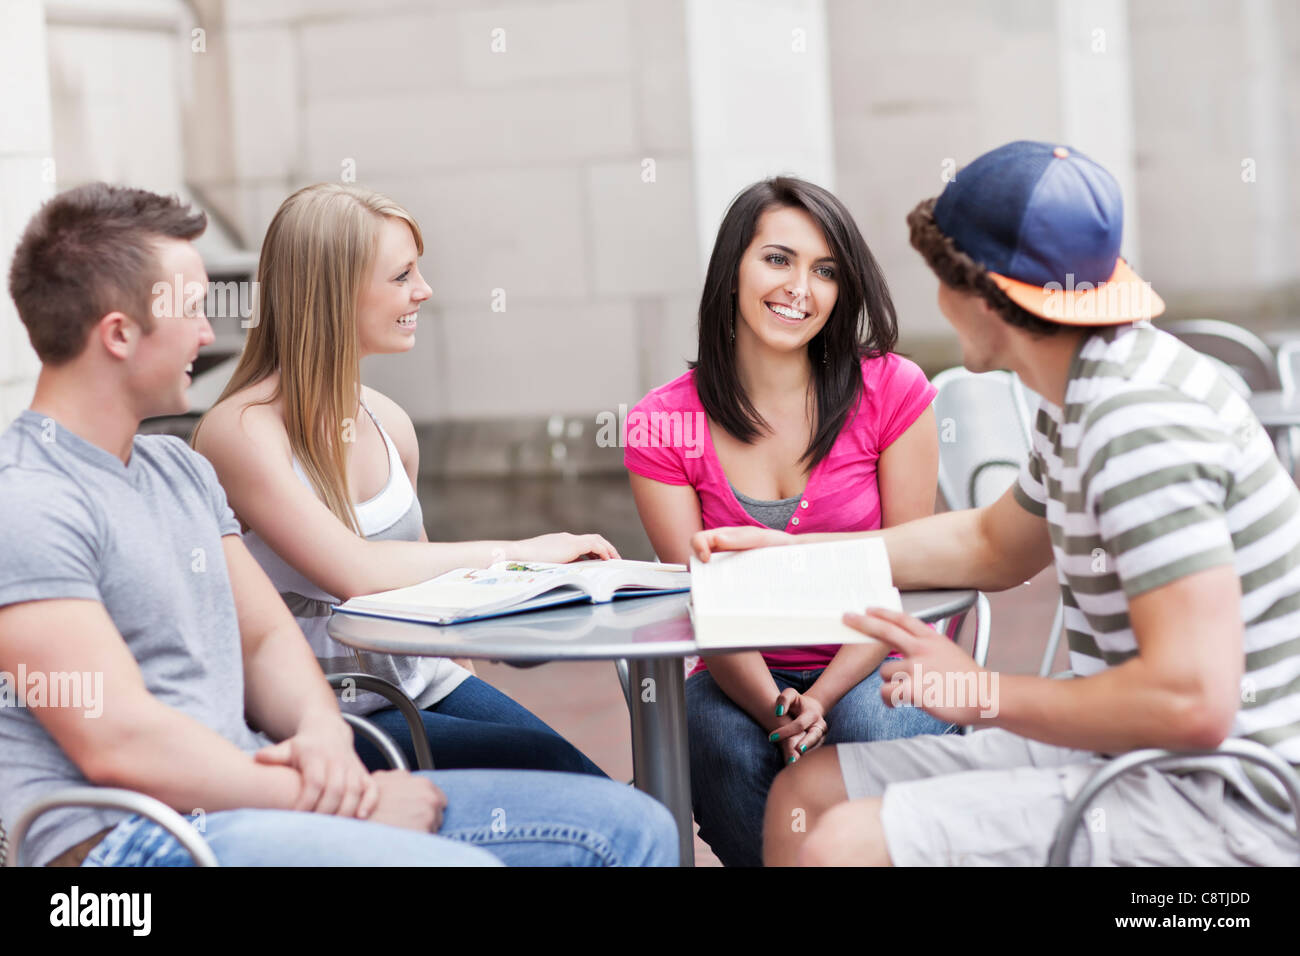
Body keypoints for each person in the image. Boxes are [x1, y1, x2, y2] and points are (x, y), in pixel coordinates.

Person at [0, 182, 677, 867]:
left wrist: (321, 732)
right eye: (195, 311)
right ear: (118, 333)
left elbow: (266, 639)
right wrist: (321, 795)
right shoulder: (28, 502)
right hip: (142, 845)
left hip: (252, 804)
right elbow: (119, 742)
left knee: (635, 828)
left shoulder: (178, 470)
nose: (211, 334)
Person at [694, 141, 1300, 866]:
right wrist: (799, 552)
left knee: (842, 845)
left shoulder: (1136, 425)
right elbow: (993, 543)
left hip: (1225, 798)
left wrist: (980, 691)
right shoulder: (1082, 386)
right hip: (1135, 752)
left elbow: (1191, 704)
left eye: (942, 281)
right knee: (811, 794)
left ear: (981, 298)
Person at [192, 183, 609, 775]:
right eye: (401, 275)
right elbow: (358, 572)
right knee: (555, 775)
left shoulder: (387, 421)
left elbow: (424, 583)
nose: (424, 290)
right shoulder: (242, 431)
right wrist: (523, 554)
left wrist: (479, 658)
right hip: (327, 716)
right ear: (332, 294)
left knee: (581, 776)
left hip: (419, 683)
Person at [624, 176, 954, 867]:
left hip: (878, 653)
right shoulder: (662, 422)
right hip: (741, 666)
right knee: (716, 734)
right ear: (732, 270)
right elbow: (704, 603)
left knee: (870, 717)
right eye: (778, 259)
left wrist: (825, 695)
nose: (801, 287)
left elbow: (902, 568)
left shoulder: (893, 390)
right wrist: (779, 706)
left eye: (826, 270)